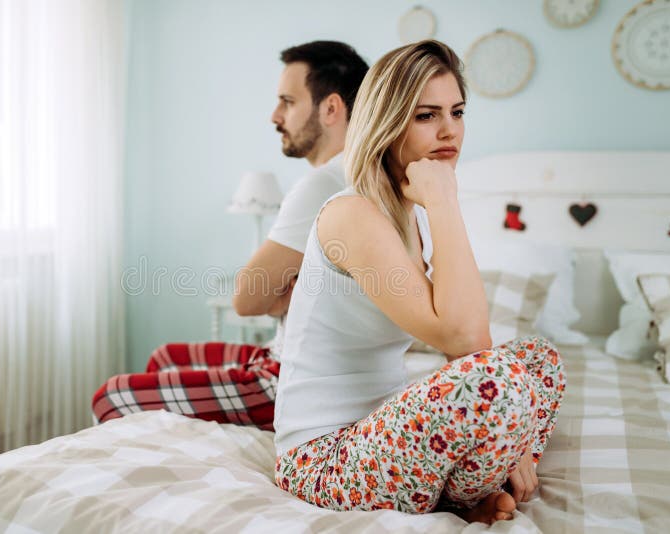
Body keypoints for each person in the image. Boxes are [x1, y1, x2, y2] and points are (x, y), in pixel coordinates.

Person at [272, 40, 566, 525]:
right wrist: (446, 200)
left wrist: (514, 433)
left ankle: (467, 491)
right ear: (387, 122)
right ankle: (474, 491)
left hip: (382, 429)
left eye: (457, 111)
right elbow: (468, 339)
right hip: (322, 459)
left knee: (538, 360)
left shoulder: (414, 210)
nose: (450, 130)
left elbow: (466, 344)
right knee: (497, 380)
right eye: (426, 115)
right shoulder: (352, 213)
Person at [91, 41, 369, 430]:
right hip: (294, 362)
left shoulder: (322, 186)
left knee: (109, 398)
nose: (275, 115)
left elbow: (246, 299)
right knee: (166, 358)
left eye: (287, 102)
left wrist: (279, 296)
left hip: (291, 383)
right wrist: (286, 296)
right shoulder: (359, 178)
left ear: (331, 109)